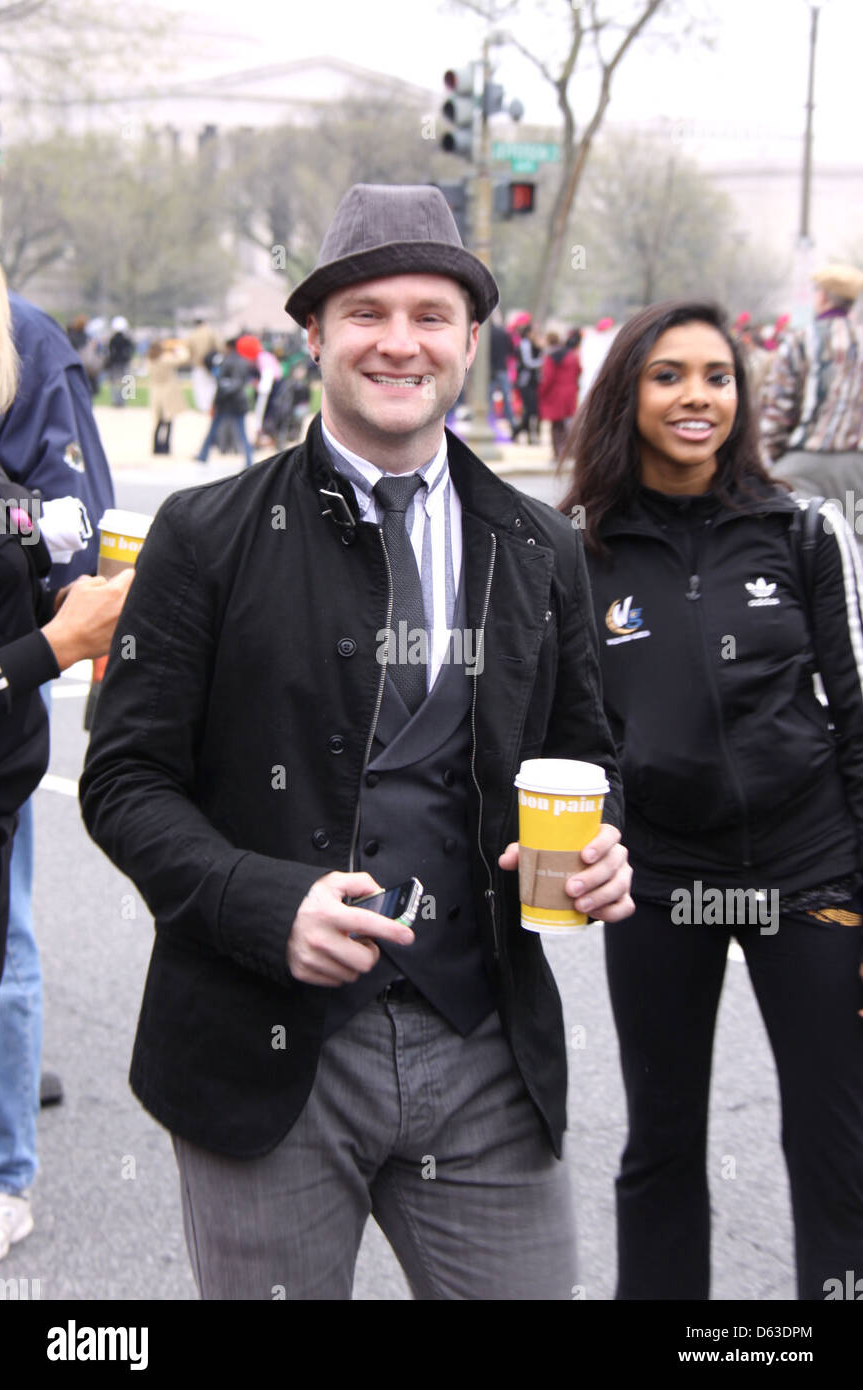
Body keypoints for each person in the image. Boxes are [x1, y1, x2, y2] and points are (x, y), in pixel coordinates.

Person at [80, 182, 633, 1301]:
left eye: (430, 314)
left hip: (482, 1044)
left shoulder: (537, 548)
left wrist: (602, 844)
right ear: (315, 335)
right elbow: (124, 779)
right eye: (365, 312)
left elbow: (584, 751)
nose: (398, 341)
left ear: (470, 340)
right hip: (262, 1048)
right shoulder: (206, 535)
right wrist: (258, 900)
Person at [559, 298, 863, 1301]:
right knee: (659, 1142)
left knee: (835, 1141)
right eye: (667, 375)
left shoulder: (803, 530)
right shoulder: (575, 550)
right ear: (626, 396)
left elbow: (855, 715)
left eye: (716, 376)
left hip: (809, 871)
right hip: (658, 877)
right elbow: (557, 732)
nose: (697, 395)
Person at [0, 261, 131, 1261]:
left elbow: (77, 530)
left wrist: (59, 627)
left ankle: (4, 1167)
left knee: (5, 923)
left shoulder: (30, 339)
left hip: (11, 652)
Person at [760, 264, 863, 520]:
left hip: (802, 464)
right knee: (855, 543)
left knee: (795, 537)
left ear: (824, 297)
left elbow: (777, 408)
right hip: (857, 467)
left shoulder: (799, 341)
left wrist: (774, 455)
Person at [194, 338, 257, 469]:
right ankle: (249, 458)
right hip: (239, 401)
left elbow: (221, 381)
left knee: (213, 429)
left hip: (225, 401)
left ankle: (203, 455)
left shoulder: (225, 361)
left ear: (228, 347)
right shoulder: (243, 362)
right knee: (242, 432)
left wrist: (217, 399)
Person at [539, 328, 582, 466]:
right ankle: (571, 451)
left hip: (555, 393)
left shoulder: (549, 357)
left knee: (555, 424)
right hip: (570, 391)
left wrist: (541, 392)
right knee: (568, 422)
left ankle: (558, 453)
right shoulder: (571, 354)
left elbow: (548, 378)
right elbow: (579, 370)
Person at [146, 341, 186, 456]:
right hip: (167, 393)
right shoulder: (165, 360)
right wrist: (177, 351)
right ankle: (166, 447)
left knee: (158, 422)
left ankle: (156, 446)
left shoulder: (150, 360)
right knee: (168, 422)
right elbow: (183, 359)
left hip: (156, 393)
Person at [511, 319, 543, 444]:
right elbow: (528, 362)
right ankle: (518, 431)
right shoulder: (524, 344)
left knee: (532, 410)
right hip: (526, 381)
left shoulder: (532, 343)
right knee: (530, 409)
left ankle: (526, 434)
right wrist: (542, 362)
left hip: (533, 381)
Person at [488, 313, 516, 437]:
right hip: (502, 368)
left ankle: (490, 422)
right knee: (506, 397)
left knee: (488, 399)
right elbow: (511, 350)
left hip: (490, 370)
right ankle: (512, 423)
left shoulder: (486, 335)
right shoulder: (503, 333)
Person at [185, 318, 219, 413]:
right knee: (211, 386)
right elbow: (219, 346)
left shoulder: (192, 335)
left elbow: (189, 350)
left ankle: (203, 407)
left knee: (200, 387)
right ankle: (211, 406)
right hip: (210, 364)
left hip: (197, 364)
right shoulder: (211, 333)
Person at [104, 317, 134, 408]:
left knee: (114, 383)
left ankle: (115, 400)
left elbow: (109, 352)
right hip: (123, 362)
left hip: (114, 363)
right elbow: (130, 350)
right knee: (125, 381)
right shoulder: (126, 340)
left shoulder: (112, 340)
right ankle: (122, 401)